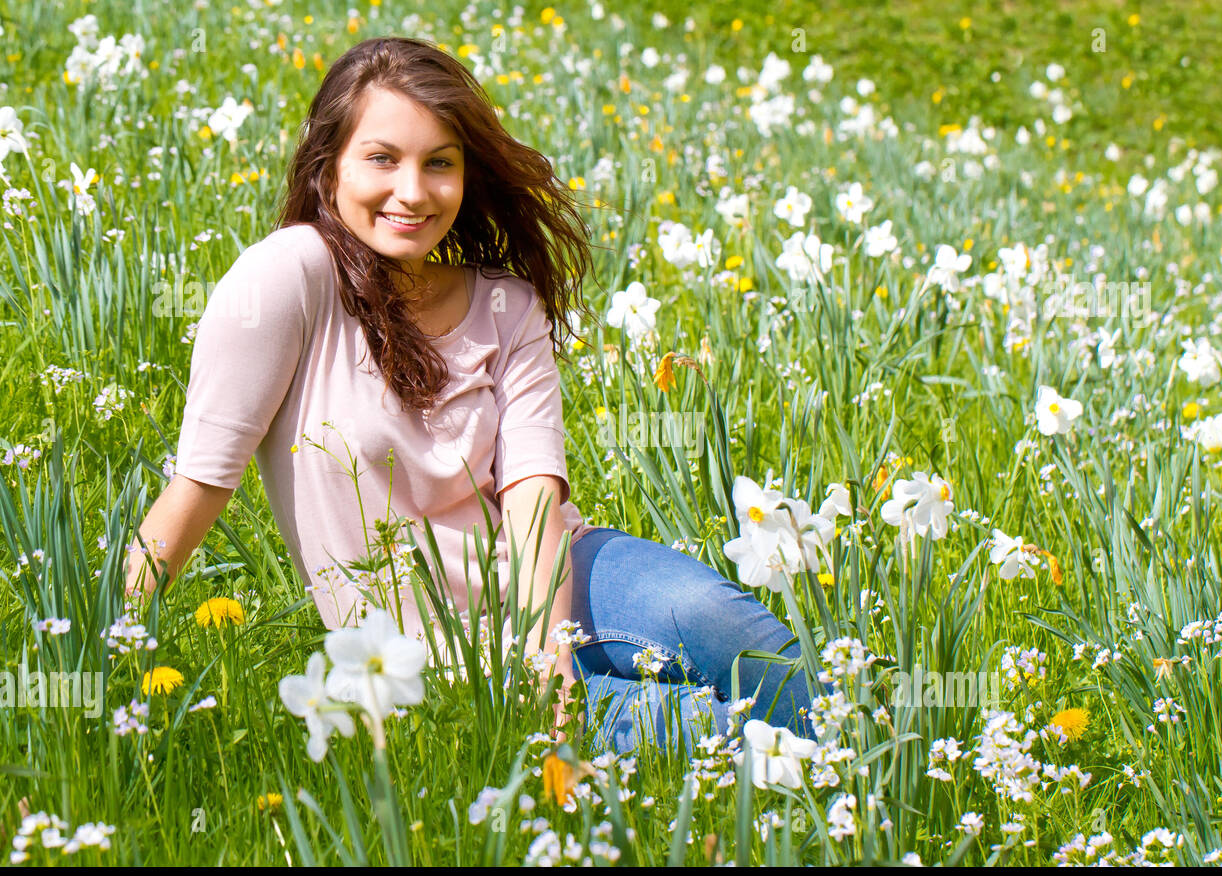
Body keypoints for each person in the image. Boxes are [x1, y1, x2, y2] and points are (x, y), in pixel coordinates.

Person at [125, 36, 813, 754]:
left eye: (439, 163)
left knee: (713, 616)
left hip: (554, 577)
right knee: (710, 733)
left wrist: (551, 665)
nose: (413, 191)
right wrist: (108, 641)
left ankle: (882, 758)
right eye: (383, 158)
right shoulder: (286, 280)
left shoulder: (508, 307)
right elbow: (201, 481)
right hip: (423, 650)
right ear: (329, 170)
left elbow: (532, 496)